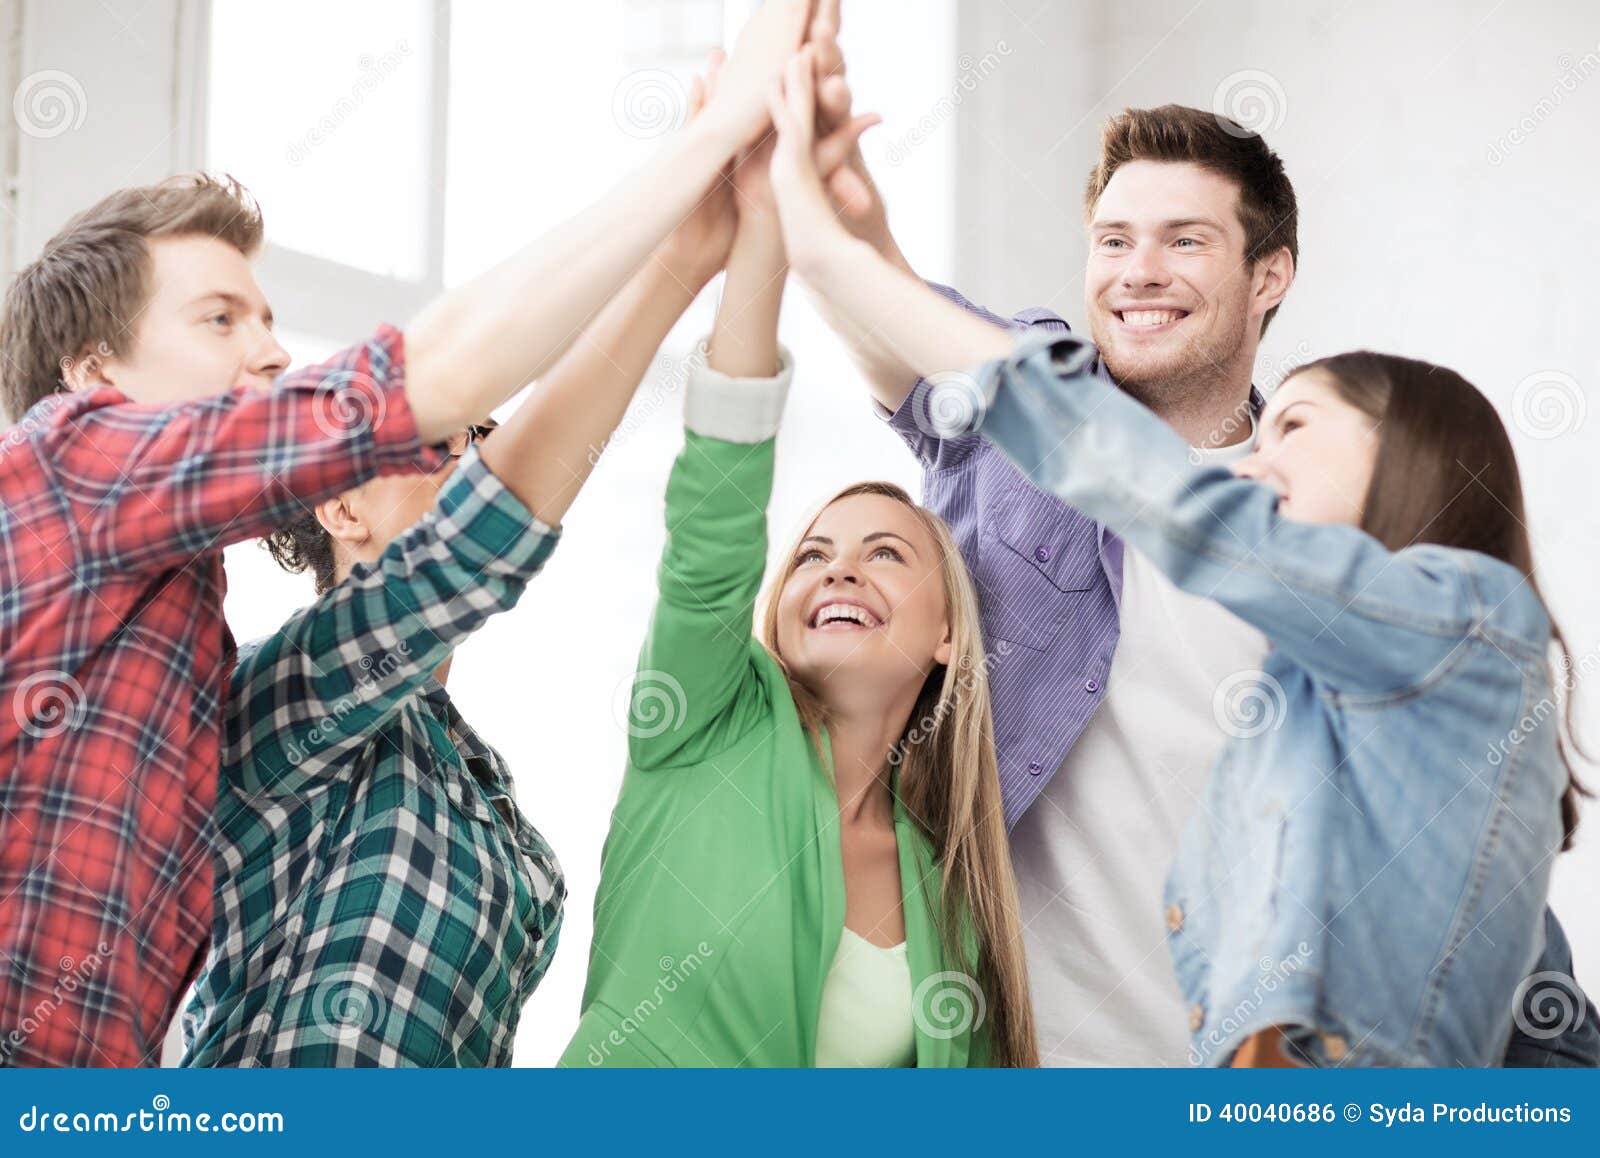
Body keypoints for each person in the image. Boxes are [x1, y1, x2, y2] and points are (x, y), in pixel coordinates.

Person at [0, 0, 815, 1067]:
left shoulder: (192, 662)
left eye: (267, 318)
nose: (272, 351)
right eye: (219, 318)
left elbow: (474, 535)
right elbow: (433, 405)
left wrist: (684, 261)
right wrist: (701, 148)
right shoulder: (65, 465)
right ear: (93, 373)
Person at [796, 2, 1594, 1068]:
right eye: (1113, 240)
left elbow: (1471, 900)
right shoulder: (1027, 431)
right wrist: (842, 226)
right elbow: (906, 340)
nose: (1138, 271)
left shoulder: (1355, 579)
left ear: (1269, 276)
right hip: (1016, 1063)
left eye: (1183, 240)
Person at [179, 71, 758, 1067]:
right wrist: (677, 261)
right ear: (340, 507)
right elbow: (466, 550)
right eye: (436, 447)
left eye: (481, 439)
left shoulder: (490, 797)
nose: (471, 464)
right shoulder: (280, 701)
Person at [560, 102, 1036, 1069]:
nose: (839, 568)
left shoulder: (950, 894)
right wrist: (767, 233)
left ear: (949, 636)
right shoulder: (702, 720)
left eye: (886, 554)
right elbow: (714, 521)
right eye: (813, 554)